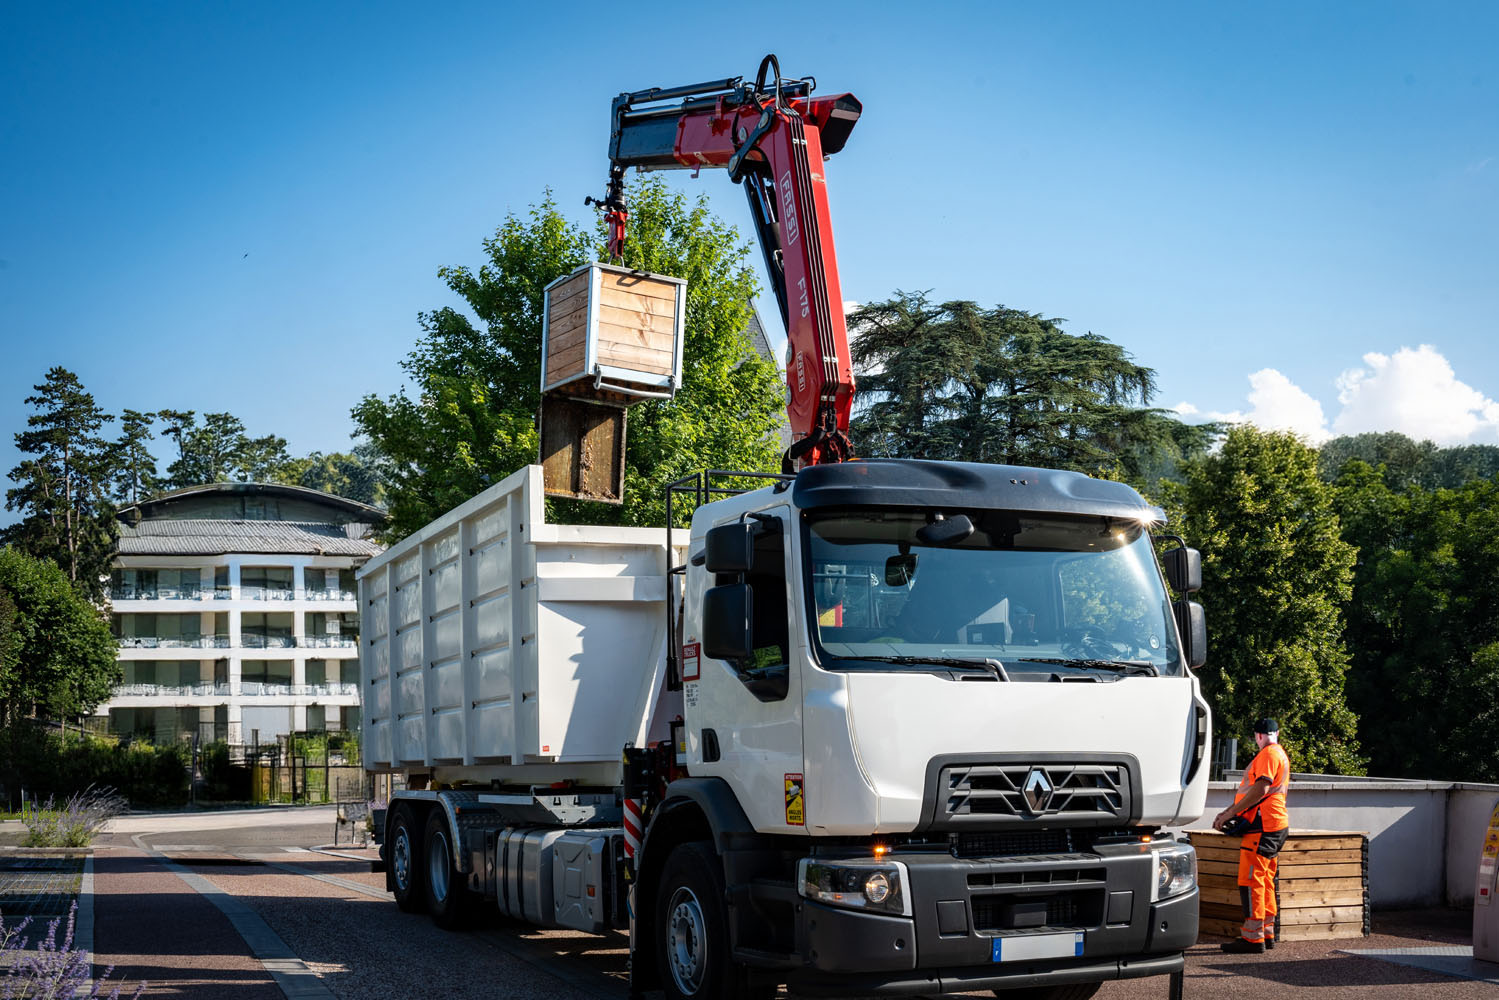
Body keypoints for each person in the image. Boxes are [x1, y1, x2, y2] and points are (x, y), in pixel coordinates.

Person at [1212, 718, 1291, 953]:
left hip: (1262, 826)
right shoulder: (1280, 753)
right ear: (1277, 733)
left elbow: (1261, 787)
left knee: (1251, 881)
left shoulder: (1267, 755)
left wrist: (1230, 813)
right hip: (1275, 824)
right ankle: (1267, 934)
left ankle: (1253, 939)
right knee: (1265, 880)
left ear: (1258, 735)